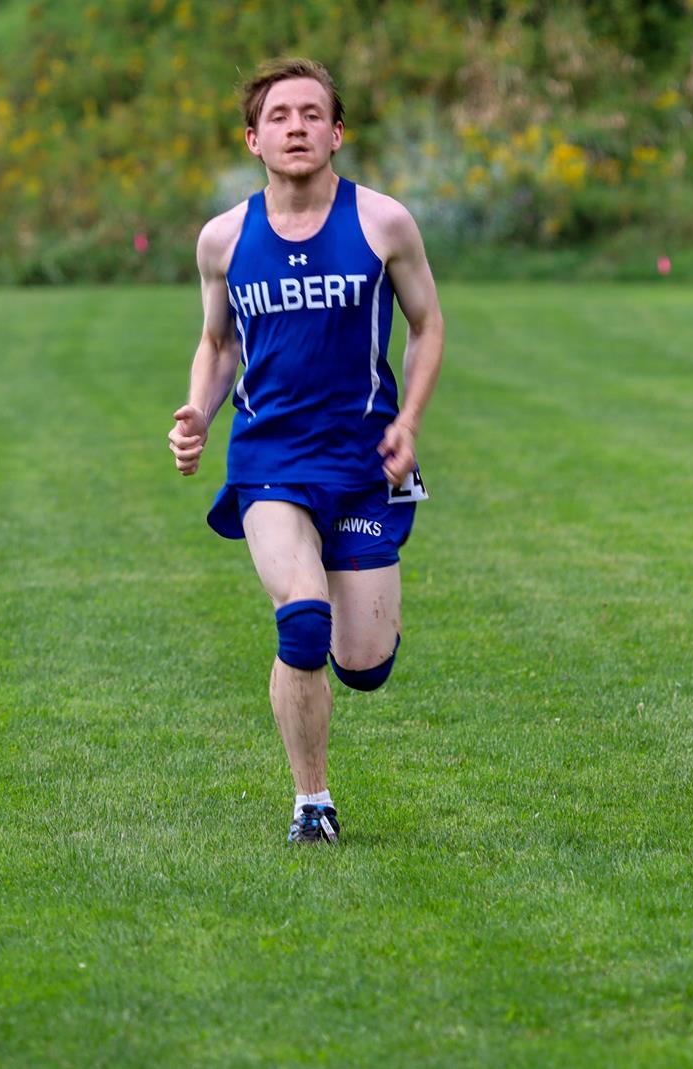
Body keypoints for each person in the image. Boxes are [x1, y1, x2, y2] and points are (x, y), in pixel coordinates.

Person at [167, 57, 445, 845]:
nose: (297, 126)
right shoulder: (223, 239)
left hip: (363, 467)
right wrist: (198, 411)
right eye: (280, 116)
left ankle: (368, 617)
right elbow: (217, 343)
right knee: (301, 619)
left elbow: (427, 326)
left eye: (312, 114)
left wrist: (411, 420)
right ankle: (311, 802)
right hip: (270, 462)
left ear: (337, 133)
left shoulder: (383, 223)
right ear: (254, 139)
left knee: (363, 662)